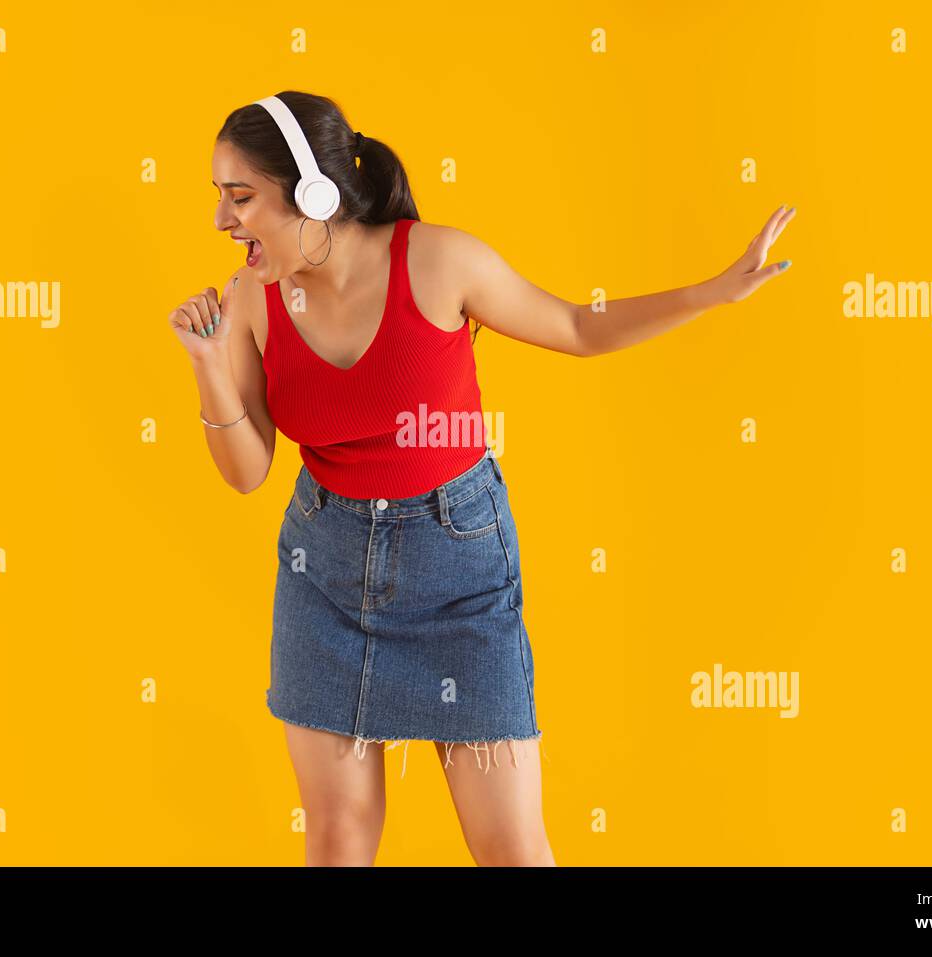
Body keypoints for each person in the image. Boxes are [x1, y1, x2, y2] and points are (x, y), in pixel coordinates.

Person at [168, 90, 796, 866]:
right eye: (219, 198)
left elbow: (575, 326)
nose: (222, 222)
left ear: (315, 193)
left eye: (241, 197)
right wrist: (208, 365)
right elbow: (247, 472)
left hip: (456, 562)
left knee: (510, 849)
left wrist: (717, 289)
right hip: (322, 567)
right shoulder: (250, 302)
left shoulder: (437, 261)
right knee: (335, 841)